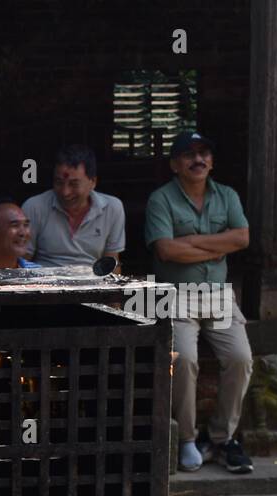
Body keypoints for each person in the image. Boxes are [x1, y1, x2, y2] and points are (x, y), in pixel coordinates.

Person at [145, 131, 254, 474]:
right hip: (175, 296)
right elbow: (165, 249)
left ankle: (221, 438)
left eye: (204, 153)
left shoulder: (227, 196)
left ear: (212, 160)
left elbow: (242, 237)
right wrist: (217, 245)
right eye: (189, 155)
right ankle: (187, 439)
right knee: (185, 360)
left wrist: (190, 240)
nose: (198, 160)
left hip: (219, 296)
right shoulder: (160, 199)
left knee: (240, 358)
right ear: (175, 164)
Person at [22, 145, 126, 268]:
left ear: (93, 182)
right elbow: (22, 260)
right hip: (45, 283)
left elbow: (112, 264)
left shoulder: (112, 208)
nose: (65, 192)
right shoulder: (34, 207)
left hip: (92, 283)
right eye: (59, 182)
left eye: (74, 184)